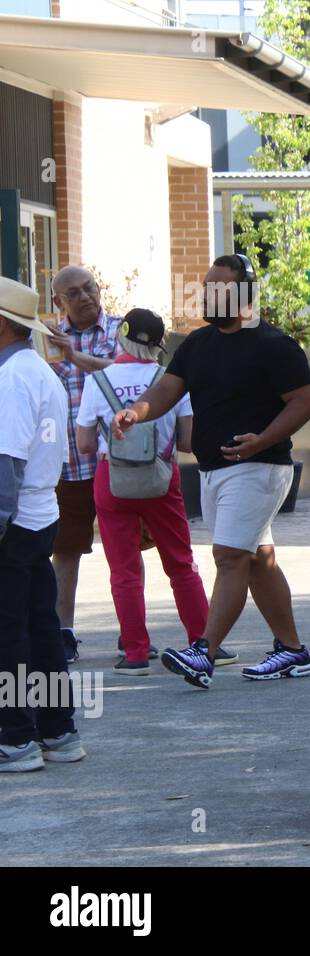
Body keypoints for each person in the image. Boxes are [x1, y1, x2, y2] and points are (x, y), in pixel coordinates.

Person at [112, 255, 310, 689]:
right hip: (213, 470)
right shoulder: (197, 344)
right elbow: (166, 389)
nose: (207, 295)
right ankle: (292, 651)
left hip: (259, 466)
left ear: (245, 294)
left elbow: (303, 402)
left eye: (218, 288)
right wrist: (136, 412)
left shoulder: (274, 344)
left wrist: (261, 439)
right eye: (205, 287)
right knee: (259, 561)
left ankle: (202, 652)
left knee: (228, 557)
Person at [74, 310, 211, 675]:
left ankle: (135, 652)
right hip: (162, 479)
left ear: (122, 337)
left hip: (113, 479)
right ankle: (204, 642)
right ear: (158, 345)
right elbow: (186, 442)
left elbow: (86, 444)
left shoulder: (98, 380)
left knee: (123, 570)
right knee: (181, 563)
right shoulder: (169, 380)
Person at [0, 277, 85, 771]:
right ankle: (59, 730)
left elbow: (6, 462)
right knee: (41, 628)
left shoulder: (11, 378)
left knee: (9, 633)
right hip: (41, 516)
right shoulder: (39, 371)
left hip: (14, 522)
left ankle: (15, 738)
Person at [46, 266, 120, 662]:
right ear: (59, 302)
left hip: (119, 464)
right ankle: (64, 634)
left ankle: (132, 634)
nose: (85, 296)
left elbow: (127, 373)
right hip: (69, 466)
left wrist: (75, 357)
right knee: (67, 549)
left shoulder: (121, 332)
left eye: (89, 287)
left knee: (123, 552)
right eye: (73, 293)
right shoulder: (46, 342)